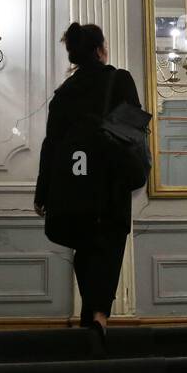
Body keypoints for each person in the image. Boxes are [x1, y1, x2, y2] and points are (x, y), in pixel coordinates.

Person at [34, 23, 142, 345]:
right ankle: (98, 317)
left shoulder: (63, 94)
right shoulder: (118, 79)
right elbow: (133, 127)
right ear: (99, 49)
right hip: (109, 181)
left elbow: (50, 145)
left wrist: (42, 192)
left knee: (84, 247)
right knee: (109, 245)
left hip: (71, 185)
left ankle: (90, 318)